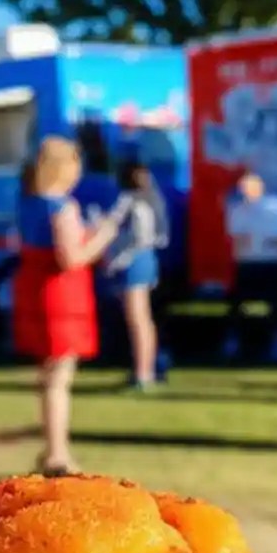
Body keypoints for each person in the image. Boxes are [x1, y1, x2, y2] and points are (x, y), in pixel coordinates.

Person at [12, 137, 118, 475]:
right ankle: (58, 452)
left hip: (33, 288)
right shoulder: (62, 207)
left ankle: (51, 448)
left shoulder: (27, 203)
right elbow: (71, 258)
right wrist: (102, 237)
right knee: (59, 377)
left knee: (46, 375)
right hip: (61, 295)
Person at [104, 158, 168, 391]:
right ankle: (145, 370)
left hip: (133, 260)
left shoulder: (129, 200)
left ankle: (143, 373)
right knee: (142, 318)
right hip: (147, 258)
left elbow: (114, 225)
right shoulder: (154, 199)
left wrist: (114, 255)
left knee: (137, 318)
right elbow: (161, 236)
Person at [222, 172, 277, 363]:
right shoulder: (236, 209)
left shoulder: (276, 206)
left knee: (276, 305)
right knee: (237, 304)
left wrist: (256, 238)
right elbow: (238, 235)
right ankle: (235, 342)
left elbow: (276, 235)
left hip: (271, 262)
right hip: (246, 262)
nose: (244, 192)